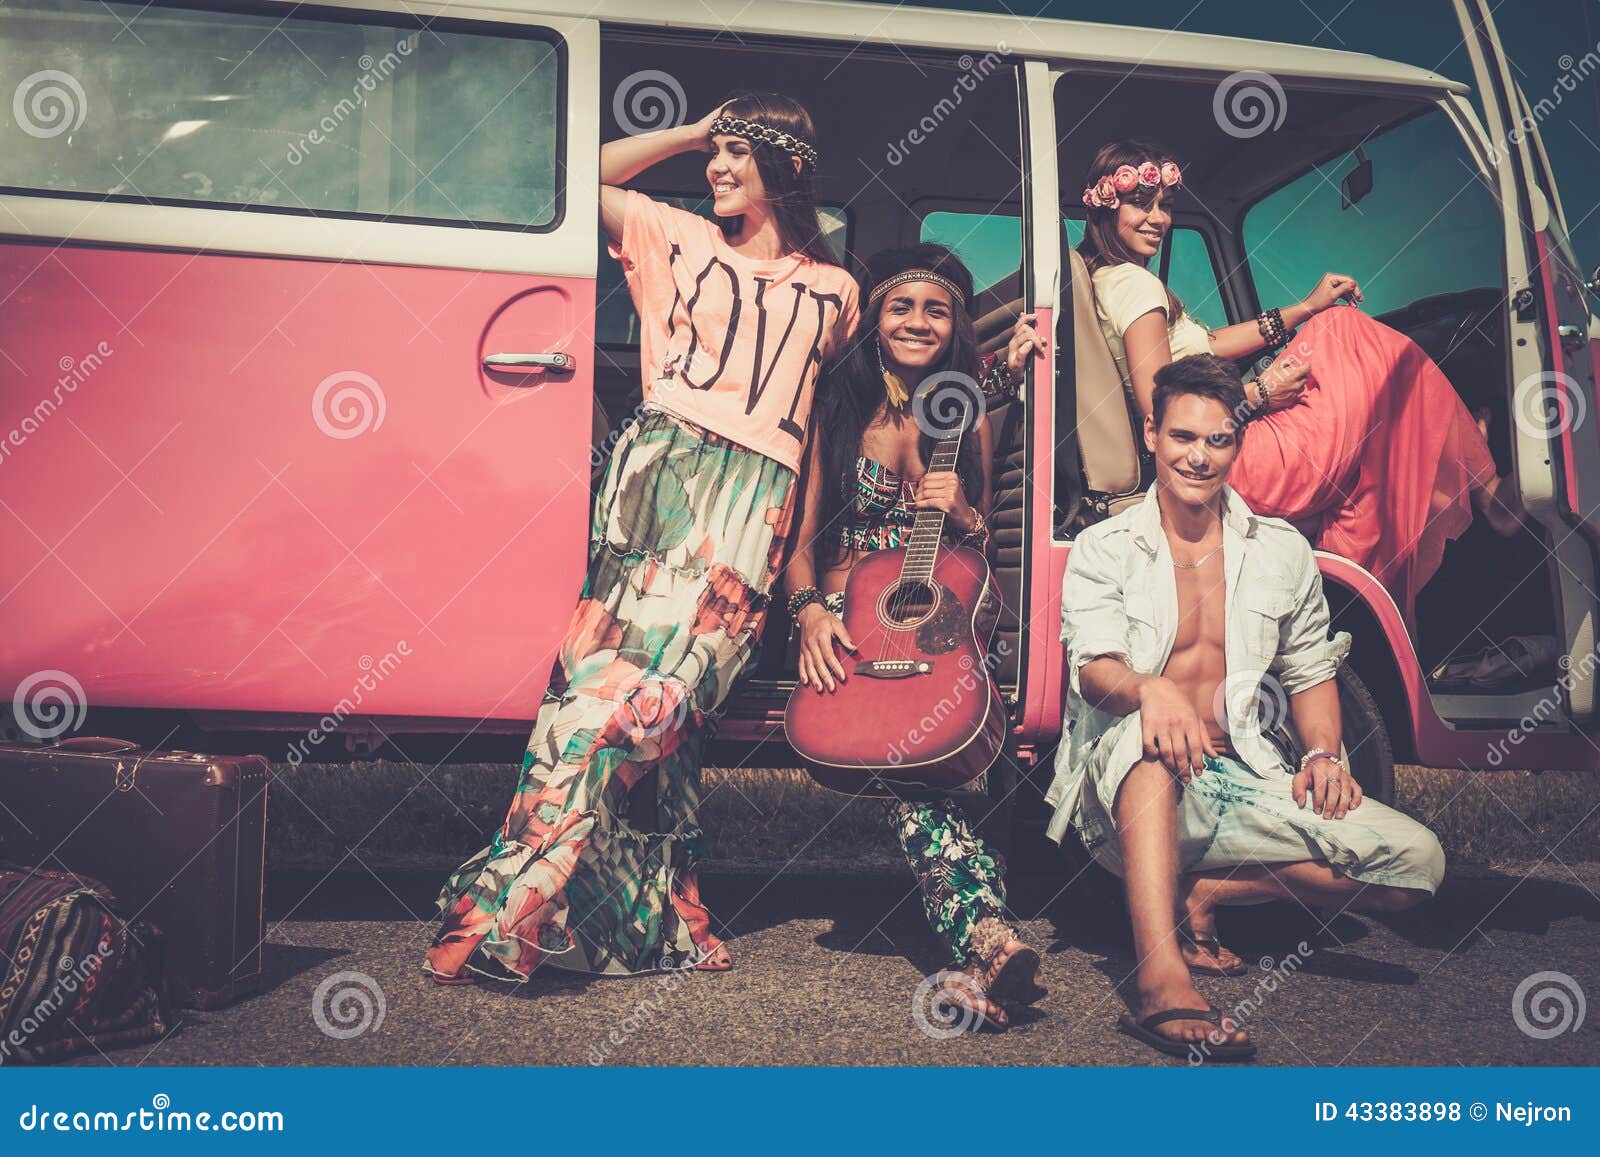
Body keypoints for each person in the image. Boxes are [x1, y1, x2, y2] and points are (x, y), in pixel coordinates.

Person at [425, 92, 859, 984]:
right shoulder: (675, 234)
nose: (718, 168)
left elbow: (812, 425)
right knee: (603, 690)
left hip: (753, 503)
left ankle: (629, 906)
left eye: (739, 153)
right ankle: (516, 908)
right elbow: (575, 176)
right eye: (717, 153)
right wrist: (696, 129)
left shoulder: (837, 290)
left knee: (672, 707)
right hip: (658, 485)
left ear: (786, 167)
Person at [1044, 353, 1446, 1061]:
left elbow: (1310, 667)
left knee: (1417, 867)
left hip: (1239, 780)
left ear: (1237, 442)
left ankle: (1207, 892)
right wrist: (1153, 688)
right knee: (1146, 737)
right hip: (1123, 800)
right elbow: (1092, 670)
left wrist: (1323, 750)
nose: (1199, 456)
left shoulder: (1281, 550)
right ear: (1151, 434)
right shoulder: (1104, 547)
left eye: (1218, 439)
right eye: (1182, 437)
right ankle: (1160, 981)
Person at [1077, 138, 1524, 627]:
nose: (1158, 220)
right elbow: (1160, 402)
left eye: (1164, 206)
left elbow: (1208, 344)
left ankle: (1383, 596)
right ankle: (1487, 494)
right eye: (1140, 204)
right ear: (1105, 207)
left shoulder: (1110, 282)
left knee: (1360, 385)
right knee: (1349, 336)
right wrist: (1260, 393)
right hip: (1234, 460)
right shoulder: (1137, 286)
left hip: (1223, 455)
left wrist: (1305, 309)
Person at [783, 243, 1048, 1030]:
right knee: (907, 752)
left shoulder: (965, 411)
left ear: (957, 325)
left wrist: (964, 512)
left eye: (936, 309)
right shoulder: (840, 406)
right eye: (901, 306)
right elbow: (799, 540)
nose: (917, 322)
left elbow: (970, 551)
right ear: (874, 320)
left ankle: (981, 948)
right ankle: (983, 933)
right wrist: (807, 611)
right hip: (846, 619)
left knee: (944, 734)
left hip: (925, 619)